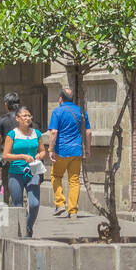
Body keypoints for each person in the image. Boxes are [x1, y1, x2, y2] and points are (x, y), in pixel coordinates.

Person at [3, 105, 47, 237]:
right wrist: (22, 156)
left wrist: (40, 155)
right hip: (15, 172)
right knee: (18, 205)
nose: (27, 118)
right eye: (24, 116)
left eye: (29, 116)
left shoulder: (37, 133)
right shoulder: (12, 135)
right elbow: (6, 155)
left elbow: (43, 151)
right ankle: (20, 232)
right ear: (17, 118)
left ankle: (27, 227)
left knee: (34, 204)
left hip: (33, 171)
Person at [48, 86, 91, 218]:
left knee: (56, 176)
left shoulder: (57, 112)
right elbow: (88, 132)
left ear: (60, 99)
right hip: (76, 151)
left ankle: (60, 203)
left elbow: (54, 132)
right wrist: (88, 149)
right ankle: (73, 211)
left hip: (61, 151)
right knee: (74, 180)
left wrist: (50, 149)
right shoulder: (81, 112)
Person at [0, 92, 20, 197]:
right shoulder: (25, 119)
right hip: (24, 156)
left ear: (6, 104)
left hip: (8, 157)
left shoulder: (2, 120)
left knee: (7, 186)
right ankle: (21, 207)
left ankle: (10, 208)